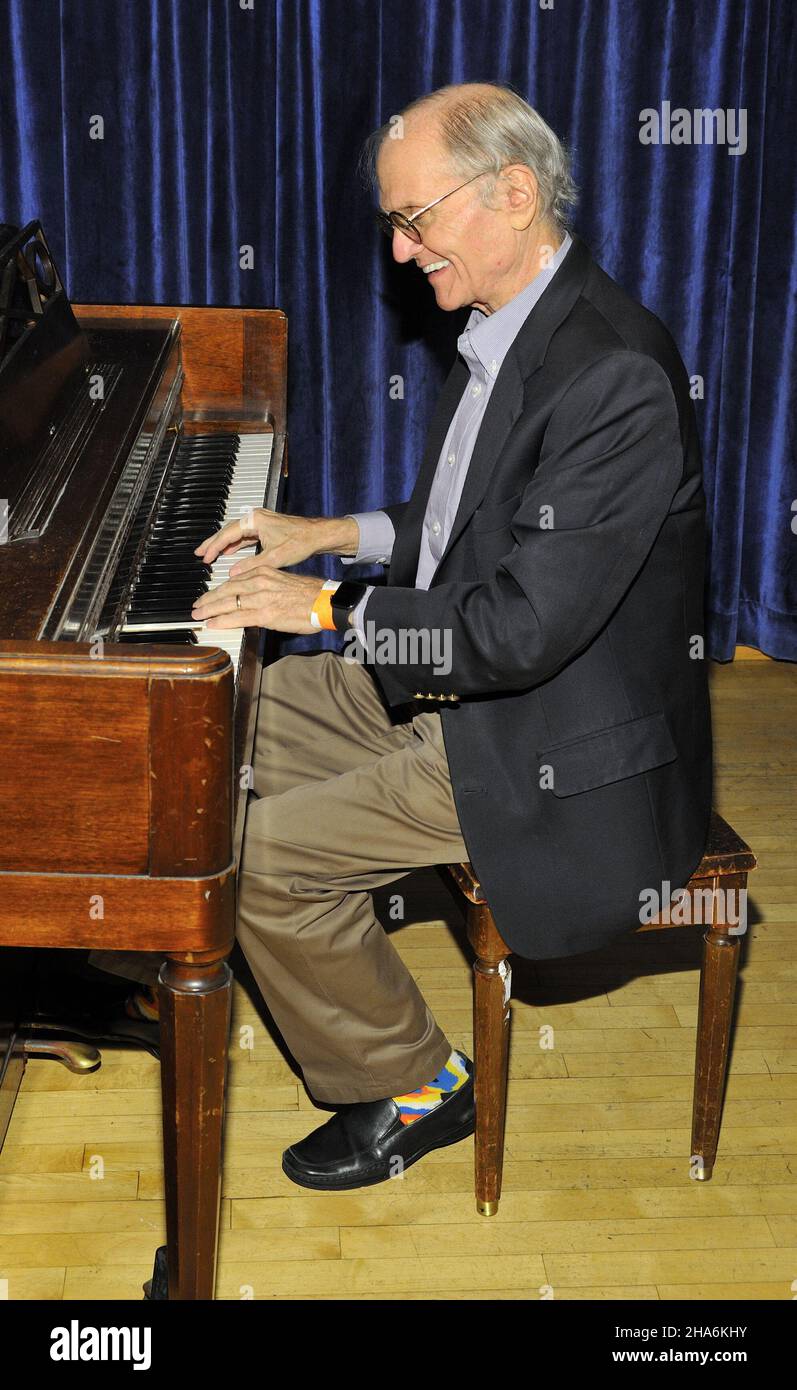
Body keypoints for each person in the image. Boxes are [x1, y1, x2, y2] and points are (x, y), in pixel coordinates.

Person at [89, 81, 712, 1192]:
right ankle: (142, 941)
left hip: (546, 746)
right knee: (214, 720)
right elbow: (465, 525)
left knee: (261, 860)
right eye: (392, 221)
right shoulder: (508, 324)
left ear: (512, 194)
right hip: (452, 688)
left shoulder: (612, 374)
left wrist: (326, 605)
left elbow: (518, 631)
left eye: (413, 218)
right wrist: (329, 535)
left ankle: (419, 1082)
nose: (396, 248)